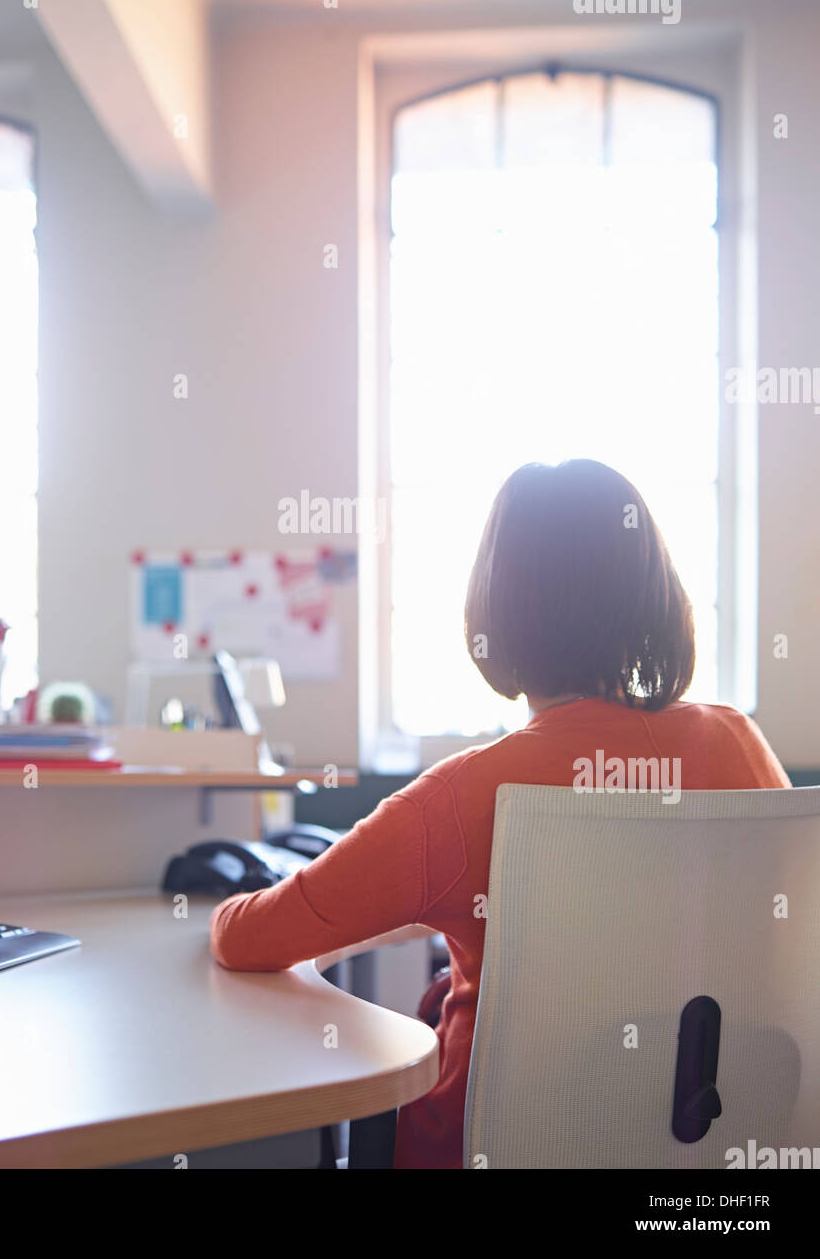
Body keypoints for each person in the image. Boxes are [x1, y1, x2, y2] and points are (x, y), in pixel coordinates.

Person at [210, 459, 789, 1168]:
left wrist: (214, 903)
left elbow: (250, 941)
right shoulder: (737, 745)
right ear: (655, 596)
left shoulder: (462, 797)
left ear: (497, 610)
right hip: (702, 1154)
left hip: (483, 1149)